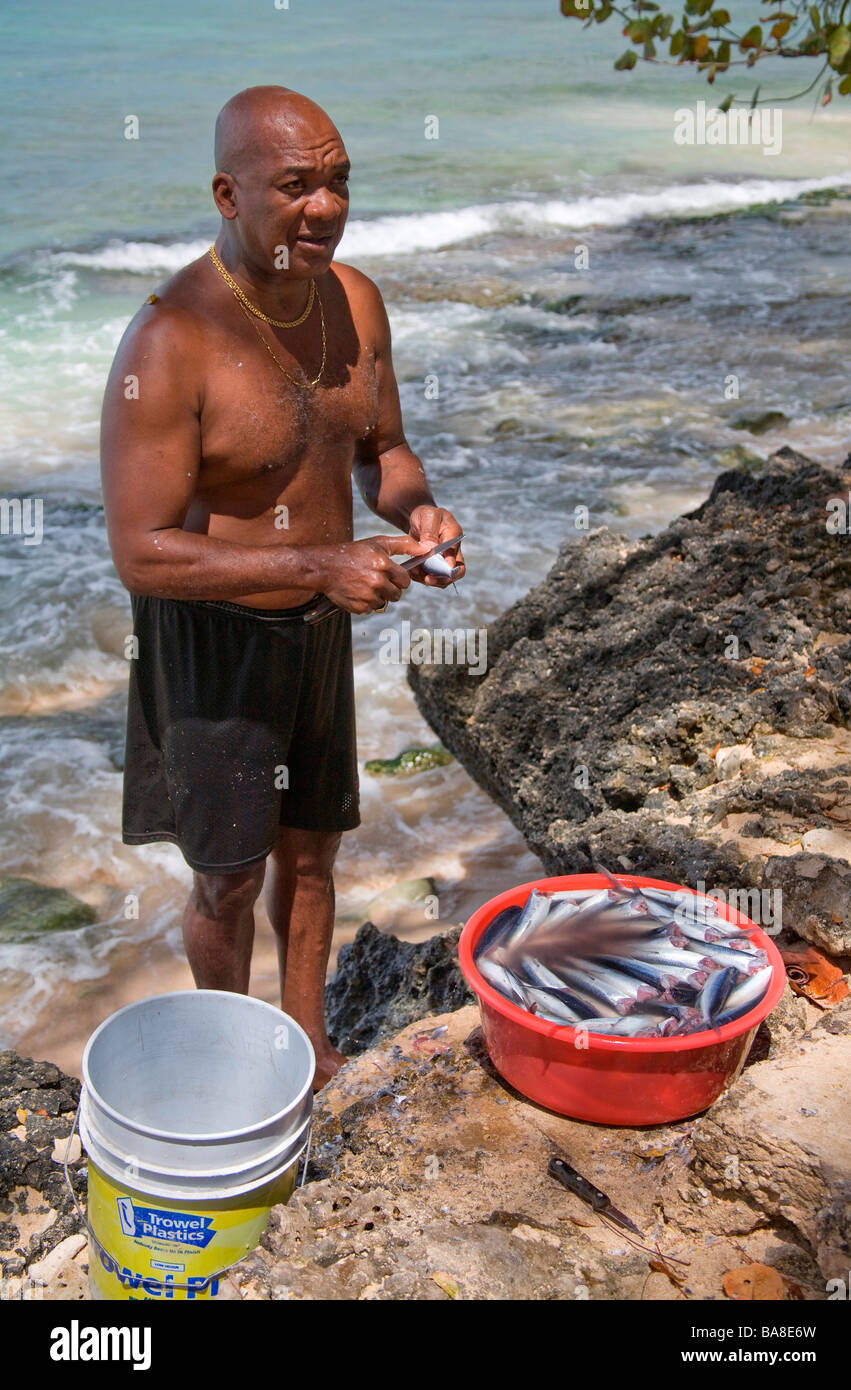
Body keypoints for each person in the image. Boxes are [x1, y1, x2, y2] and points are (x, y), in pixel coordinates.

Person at [100, 85, 465, 1089]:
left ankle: (304, 1057)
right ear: (227, 192)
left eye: (338, 182)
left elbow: (381, 448)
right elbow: (139, 549)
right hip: (212, 641)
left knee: (312, 861)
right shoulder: (170, 340)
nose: (324, 207)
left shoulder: (355, 301)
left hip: (317, 632)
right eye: (295, 185)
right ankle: (227, 1067)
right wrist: (316, 562)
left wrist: (416, 513)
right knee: (227, 878)